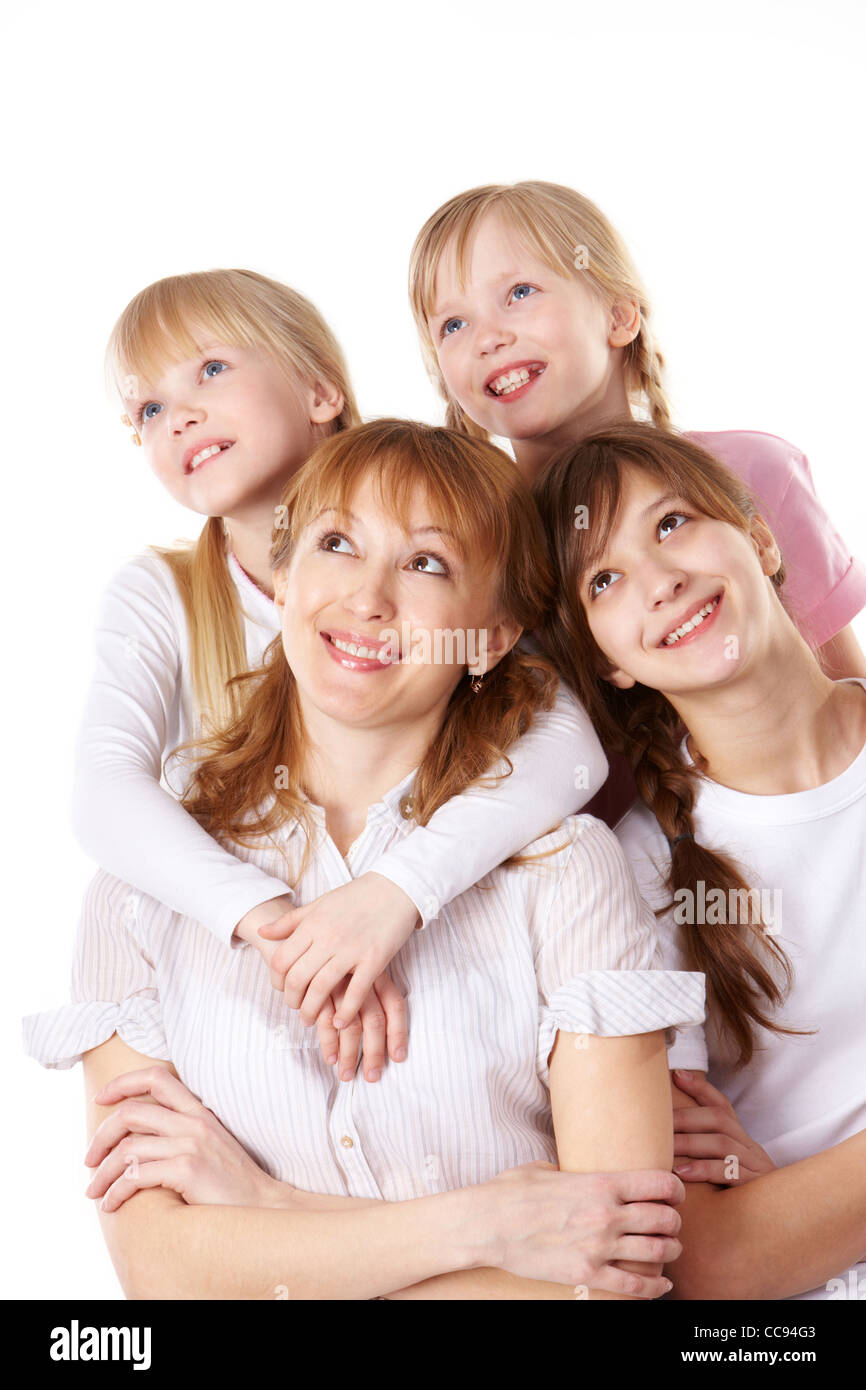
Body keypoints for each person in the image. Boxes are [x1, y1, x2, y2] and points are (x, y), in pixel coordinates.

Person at [24, 420, 704, 1301]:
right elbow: (162, 1277)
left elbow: (617, 1277)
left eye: (427, 564)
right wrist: (488, 1228)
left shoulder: (565, 870)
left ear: (491, 640)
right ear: (284, 576)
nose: (369, 598)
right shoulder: (139, 893)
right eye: (337, 543)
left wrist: (263, 1211)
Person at [72, 269, 609, 1066]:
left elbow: (567, 749)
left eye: (210, 369)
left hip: (448, 956)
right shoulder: (161, 594)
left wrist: (393, 895)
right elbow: (103, 792)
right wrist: (274, 923)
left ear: (320, 388)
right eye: (147, 409)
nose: (178, 414)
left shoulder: (437, 505)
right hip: (262, 982)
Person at [408, 179, 866, 824]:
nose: (487, 337)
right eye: (453, 324)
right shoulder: (470, 554)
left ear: (620, 314)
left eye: (519, 293)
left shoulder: (755, 474)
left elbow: (843, 701)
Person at [533, 420, 866, 1301]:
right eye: (605, 579)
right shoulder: (638, 877)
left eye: (672, 523)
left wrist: (809, 1202)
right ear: (606, 664)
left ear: (759, 536)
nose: (661, 579)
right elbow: (710, 1261)